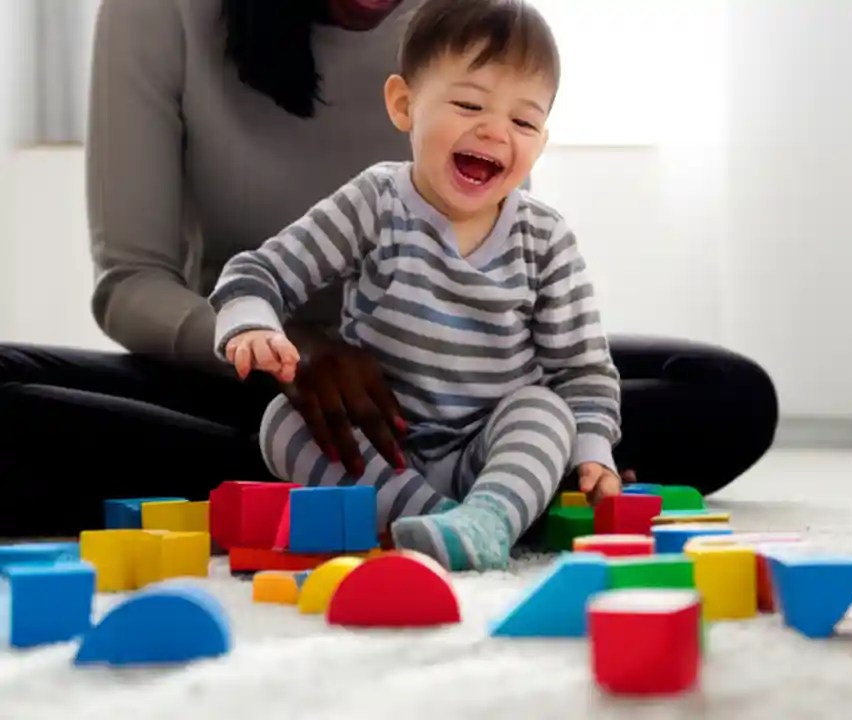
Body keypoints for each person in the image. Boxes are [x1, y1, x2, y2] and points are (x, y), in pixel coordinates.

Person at [0, 0, 778, 539]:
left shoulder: (476, 26)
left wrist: (578, 442)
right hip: (249, 375)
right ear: (402, 103)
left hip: (460, 394)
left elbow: (508, 275)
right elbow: (132, 281)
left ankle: (465, 492)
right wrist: (289, 353)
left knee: (725, 394)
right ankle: (356, 488)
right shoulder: (157, 14)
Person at [212, 0, 619, 570]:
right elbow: (259, 271)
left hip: (487, 448)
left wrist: (594, 451)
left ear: (541, 144)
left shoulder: (543, 237)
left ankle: (487, 515)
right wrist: (251, 323)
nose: (495, 130)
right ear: (405, 106)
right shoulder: (377, 202)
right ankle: (438, 519)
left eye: (523, 121)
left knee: (546, 411)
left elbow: (581, 370)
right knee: (280, 425)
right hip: (384, 448)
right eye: (469, 104)